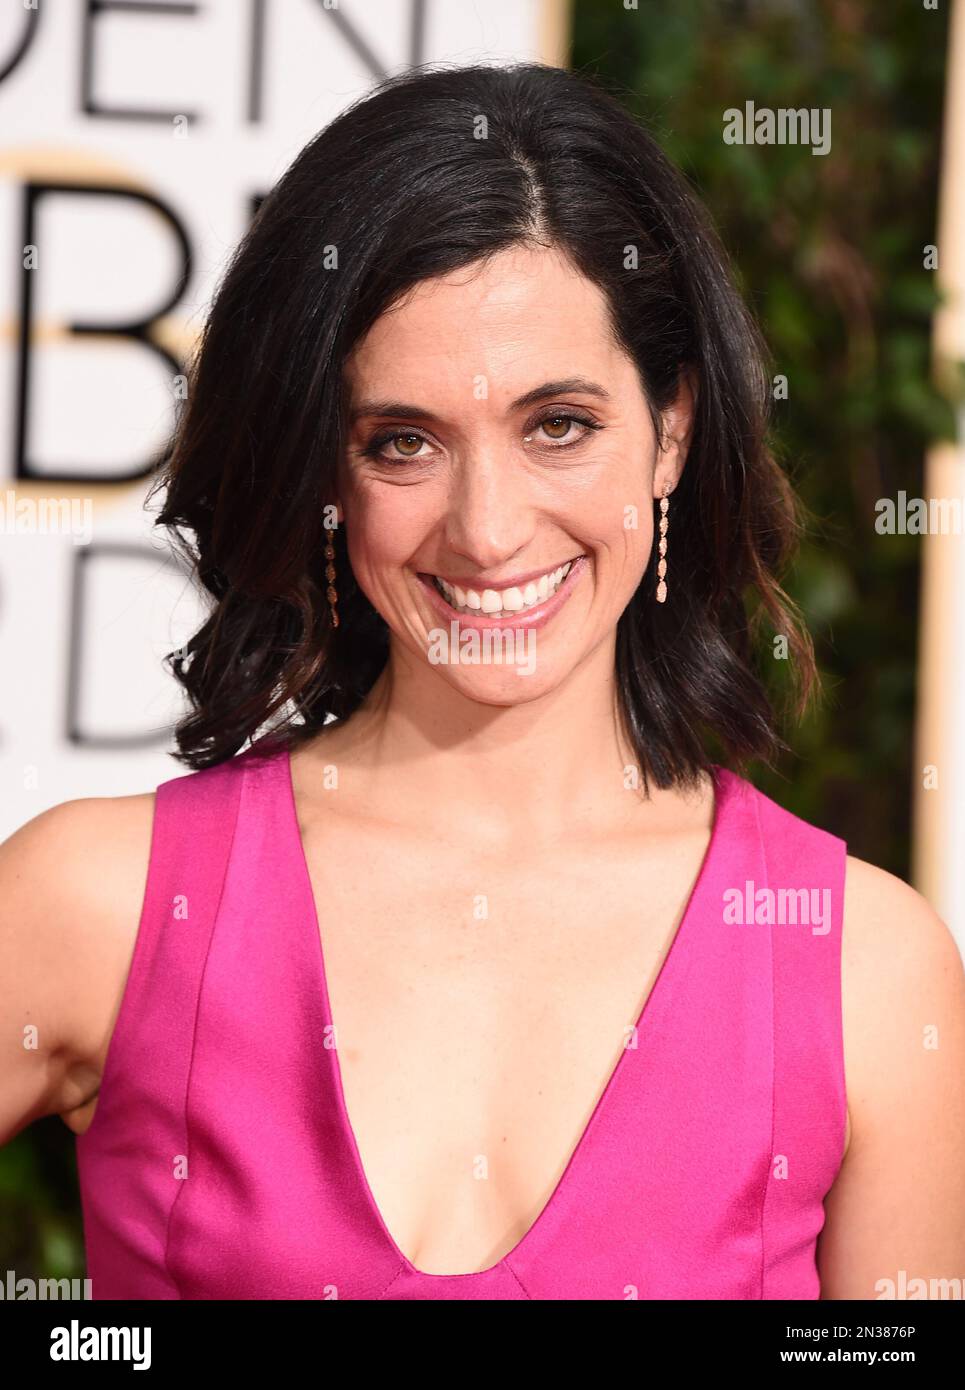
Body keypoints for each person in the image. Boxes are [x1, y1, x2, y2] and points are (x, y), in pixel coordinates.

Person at [2, 62, 963, 1302]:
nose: (489, 529)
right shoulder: (101, 904)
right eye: (401, 442)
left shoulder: (861, 972)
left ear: (668, 429)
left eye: (557, 424)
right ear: (325, 474)